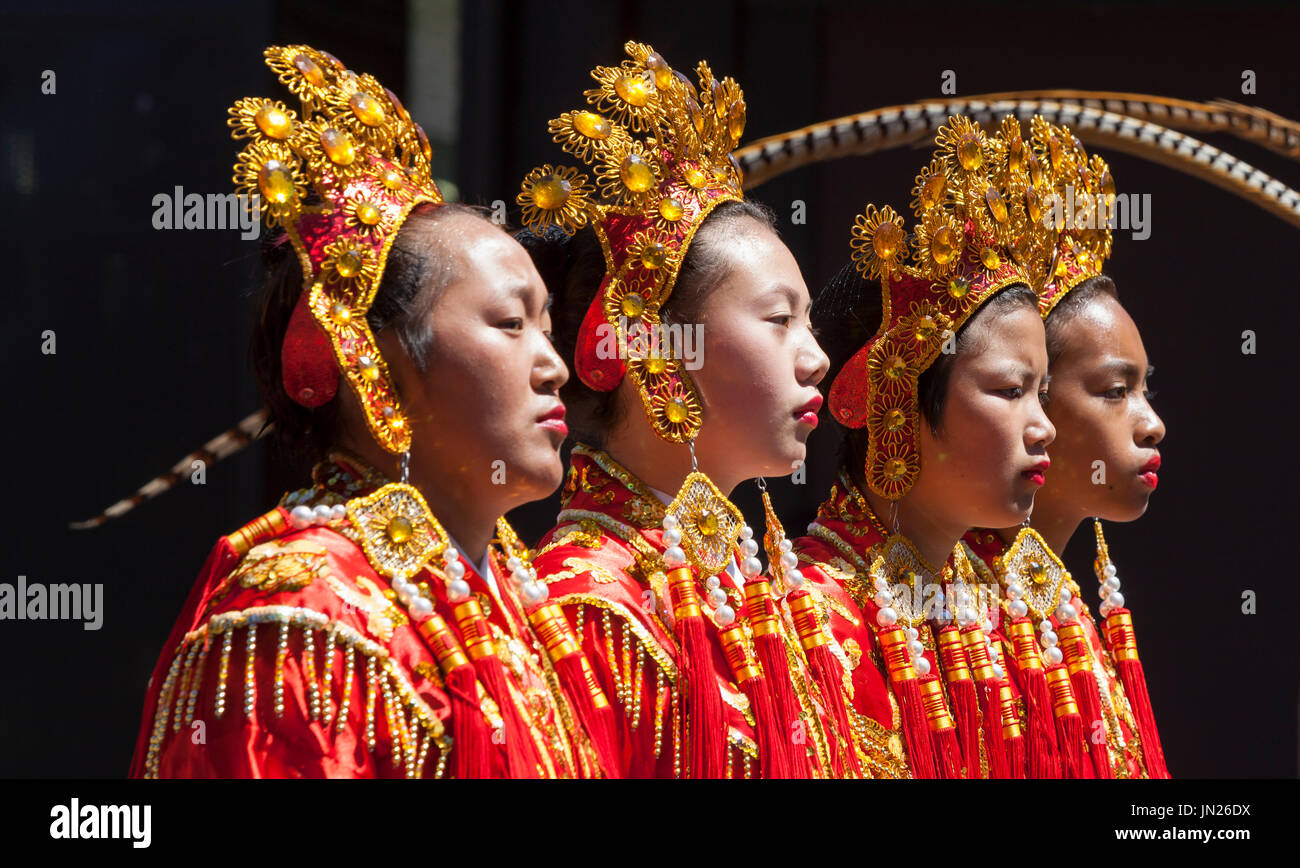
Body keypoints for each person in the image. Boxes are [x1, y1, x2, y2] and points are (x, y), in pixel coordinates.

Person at [126, 44, 613, 778]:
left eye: (549, 329)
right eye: (511, 325)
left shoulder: (520, 603)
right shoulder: (304, 615)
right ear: (373, 358)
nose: (553, 365)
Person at [516, 41, 864, 777]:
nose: (816, 358)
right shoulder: (586, 607)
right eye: (778, 321)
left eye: (810, 322)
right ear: (661, 347)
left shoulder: (765, 593)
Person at [795, 114, 1077, 778]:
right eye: (1010, 392)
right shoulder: (812, 623)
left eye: (1043, 393)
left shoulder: (1000, 620)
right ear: (897, 404)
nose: (1045, 428)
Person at [962, 116, 1170, 777]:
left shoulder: (1062, 613)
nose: (1151, 423)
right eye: (1115, 390)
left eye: (1146, 391)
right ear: (1036, 403)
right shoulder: (952, 622)